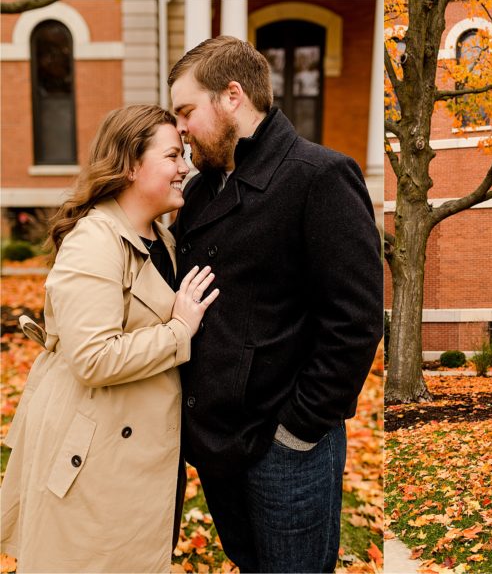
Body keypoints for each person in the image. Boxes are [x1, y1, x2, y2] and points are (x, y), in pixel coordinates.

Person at [167, 36, 383, 573]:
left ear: (232, 97)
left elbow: (356, 322)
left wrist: (298, 429)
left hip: (285, 447)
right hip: (217, 444)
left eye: (186, 111)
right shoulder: (198, 193)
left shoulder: (319, 176)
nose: (180, 129)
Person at [0, 105, 219, 572]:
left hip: (141, 448)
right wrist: (179, 331)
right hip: (94, 455)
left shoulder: (164, 237)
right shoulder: (94, 240)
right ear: (130, 165)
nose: (185, 167)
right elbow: (93, 358)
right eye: (172, 156)